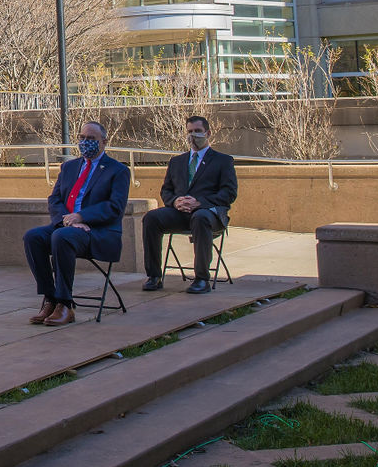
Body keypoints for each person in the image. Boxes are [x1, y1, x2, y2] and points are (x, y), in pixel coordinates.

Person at [21, 121, 130, 327]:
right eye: (81, 138)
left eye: (91, 139)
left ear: (104, 142)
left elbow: (115, 207)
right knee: (33, 237)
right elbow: (54, 199)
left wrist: (82, 217)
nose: (84, 142)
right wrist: (67, 219)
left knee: (61, 237)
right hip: (67, 226)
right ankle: (50, 298)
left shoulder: (118, 171)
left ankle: (65, 304)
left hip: (98, 232)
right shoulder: (70, 167)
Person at [141, 115, 238, 295]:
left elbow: (229, 193)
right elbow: (166, 191)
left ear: (208, 133)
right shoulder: (176, 162)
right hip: (180, 213)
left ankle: (202, 279)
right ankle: (154, 276)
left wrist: (199, 203)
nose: (193, 136)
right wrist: (175, 201)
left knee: (200, 217)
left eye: (198, 131)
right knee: (151, 218)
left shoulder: (223, 161)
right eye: (190, 132)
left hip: (209, 213)